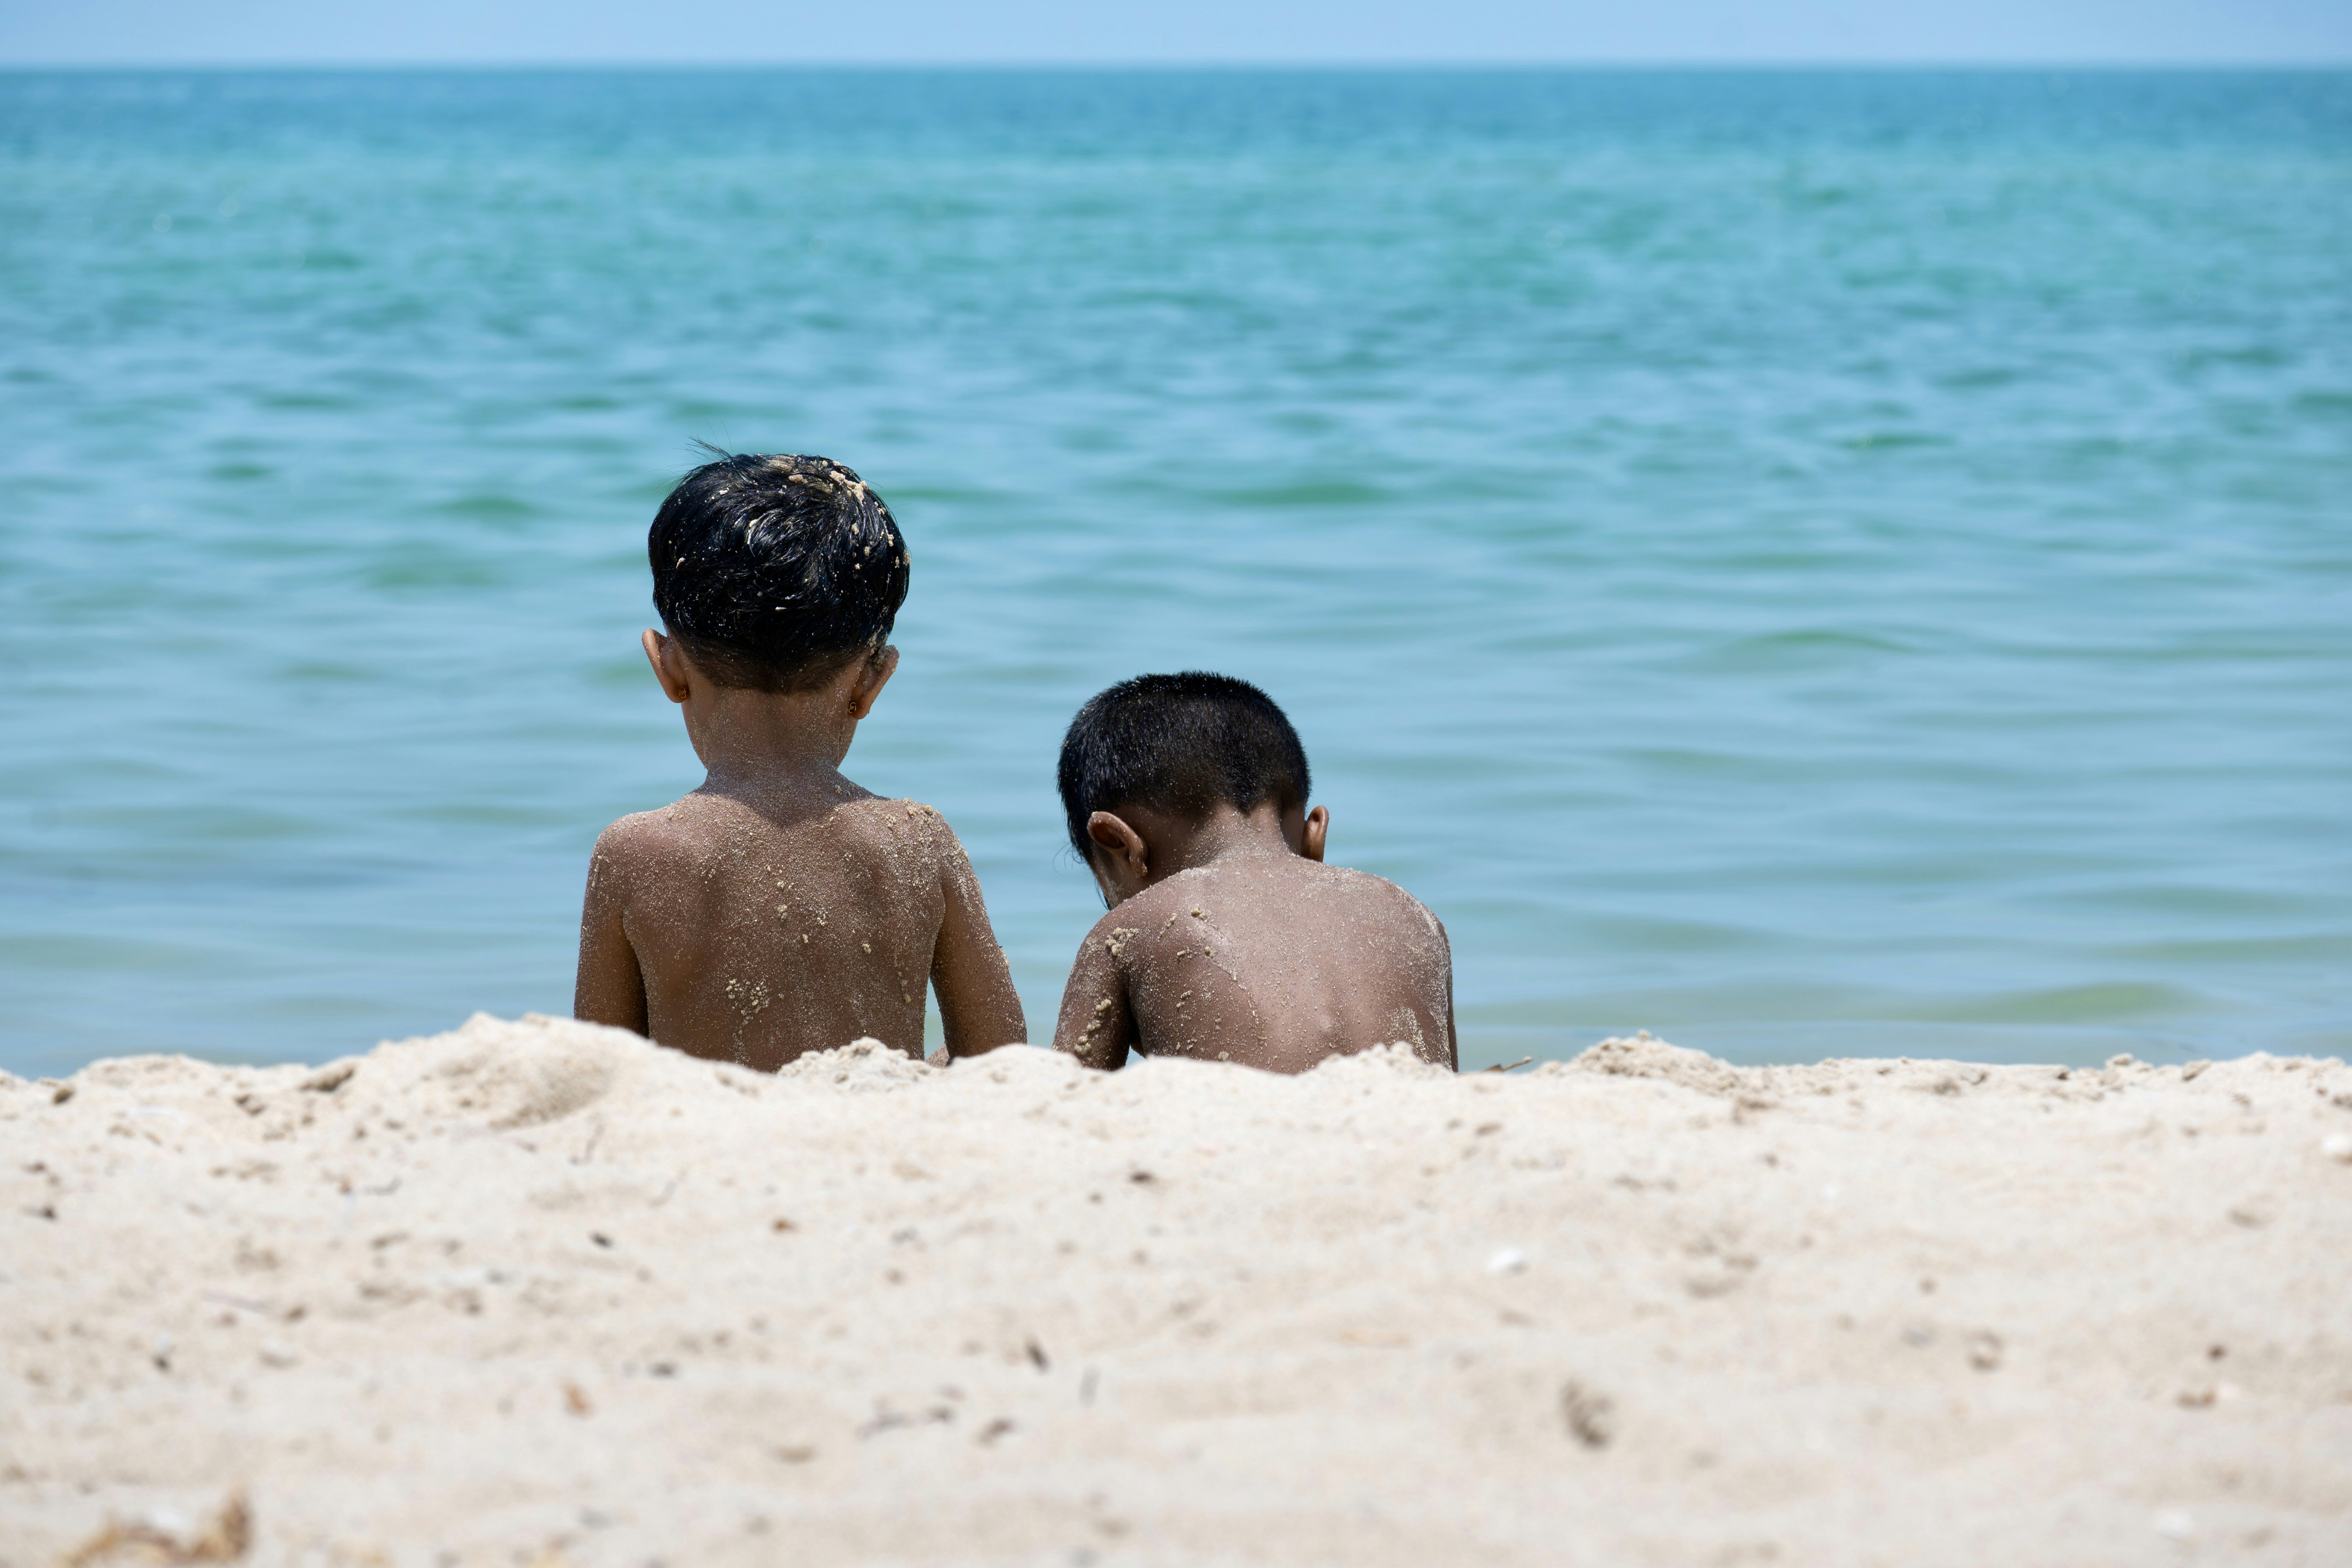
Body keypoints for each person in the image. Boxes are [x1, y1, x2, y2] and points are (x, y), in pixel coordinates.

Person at [574, 451, 1025, 1069]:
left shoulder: (634, 853)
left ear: (667, 666)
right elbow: (1005, 1065)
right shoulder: (918, 841)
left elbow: (598, 1073)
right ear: (872, 681)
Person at [1050, 672, 1455, 1073]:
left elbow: (1062, 1106)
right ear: (1314, 836)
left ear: (1121, 843)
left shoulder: (1128, 931)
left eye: (1109, 895)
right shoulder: (1413, 918)